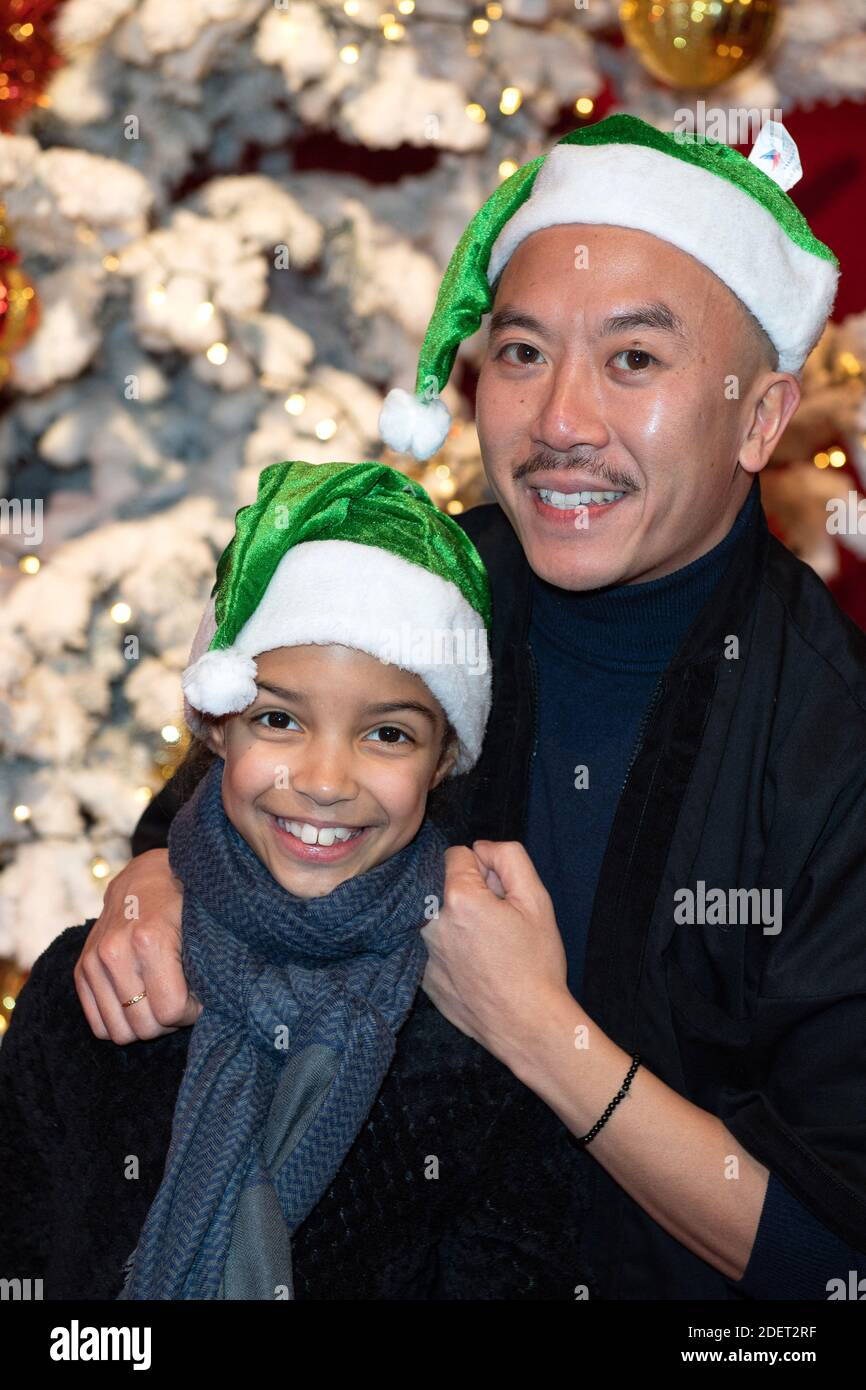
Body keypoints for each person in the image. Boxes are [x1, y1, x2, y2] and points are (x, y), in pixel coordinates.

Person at [74, 115, 866, 1299]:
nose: (560, 425)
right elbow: (222, 787)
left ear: (759, 417)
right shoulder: (418, 589)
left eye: (633, 361)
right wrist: (153, 881)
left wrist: (536, 1029)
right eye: (521, 354)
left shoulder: (829, 749)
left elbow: (833, 1257)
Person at [0, 460, 595, 1300]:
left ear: (443, 760)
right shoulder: (96, 987)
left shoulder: (471, 1032)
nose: (324, 779)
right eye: (278, 720)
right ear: (216, 729)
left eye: (387, 734)